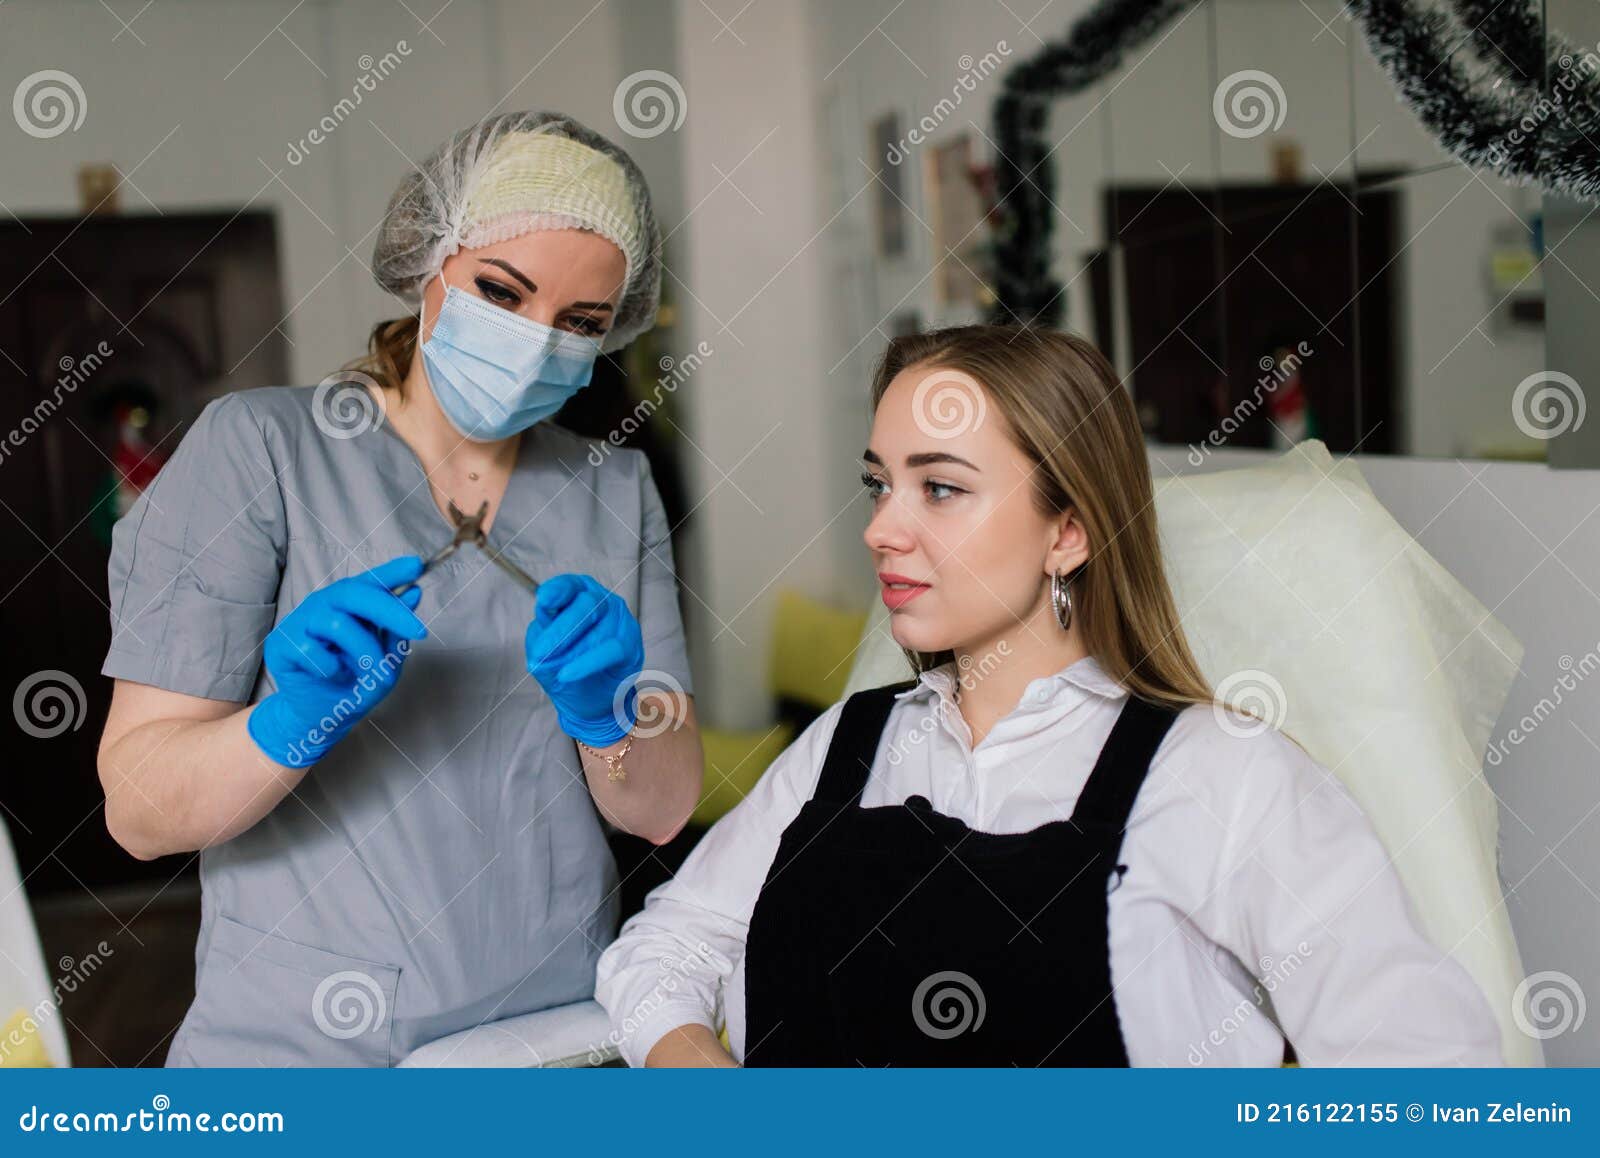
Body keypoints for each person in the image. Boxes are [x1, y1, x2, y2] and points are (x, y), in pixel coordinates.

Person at [594, 324, 1503, 1067]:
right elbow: (665, 947)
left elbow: (1428, 1078)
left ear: (1068, 532)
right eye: (880, 484)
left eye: (940, 489)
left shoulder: (1222, 776)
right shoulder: (845, 749)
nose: (881, 529)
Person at [97, 110, 702, 1066]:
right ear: (429, 265)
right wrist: (286, 721)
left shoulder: (612, 486)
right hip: (304, 1044)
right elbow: (137, 813)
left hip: (548, 1031)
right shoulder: (258, 449)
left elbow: (661, 808)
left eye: (580, 325)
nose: (535, 342)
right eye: (502, 292)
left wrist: (610, 719)